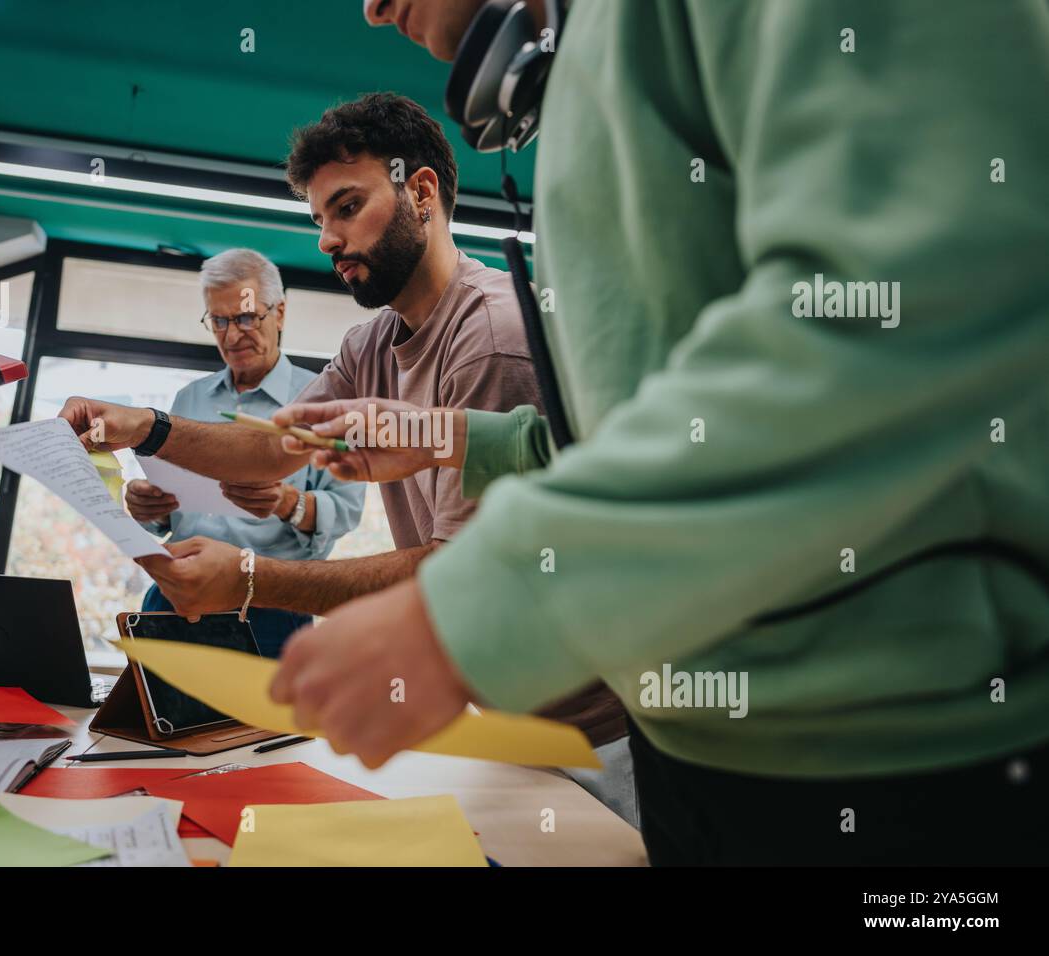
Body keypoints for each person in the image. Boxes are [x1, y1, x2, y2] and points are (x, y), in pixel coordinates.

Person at [263, 0, 1049, 864]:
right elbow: (663, 415)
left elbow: (913, 307)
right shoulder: (583, 70)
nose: (371, 8)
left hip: (903, 758)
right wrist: (462, 439)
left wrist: (474, 609)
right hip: (690, 747)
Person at [59, 93, 542, 621]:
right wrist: (141, 426)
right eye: (319, 221)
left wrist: (250, 580)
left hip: (583, 698)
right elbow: (269, 452)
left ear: (421, 192)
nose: (327, 241)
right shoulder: (370, 345)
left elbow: (463, 572)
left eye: (348, 208)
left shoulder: (490, 336)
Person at [126, 249, 364, 658]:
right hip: (176, 599)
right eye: (219, 320)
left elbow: (346, 509)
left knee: (265, 725)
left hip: (271, 608)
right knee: (152, 721)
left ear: (281, 314)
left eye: (247, 317)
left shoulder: (323, 399)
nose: (233, 335)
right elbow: (171, 512)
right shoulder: (189, 397)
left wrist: (289, 502)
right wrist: (150, 507)